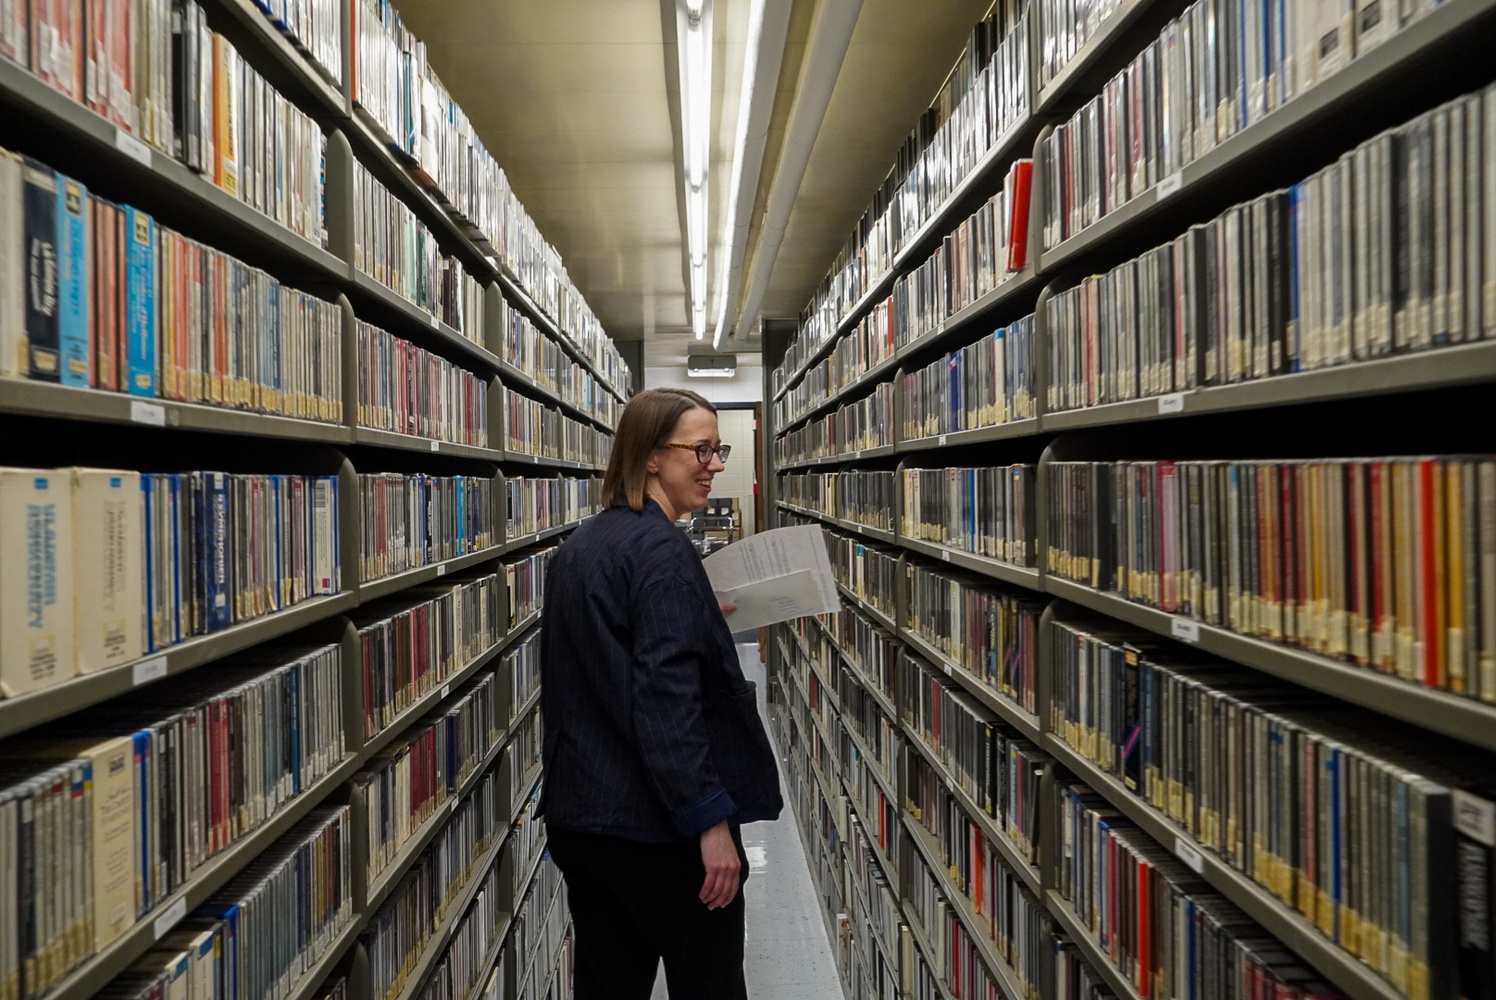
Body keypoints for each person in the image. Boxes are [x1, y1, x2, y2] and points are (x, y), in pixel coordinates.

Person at [538, 387, 783, 1000]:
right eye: (701, 450)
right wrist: (710, 823)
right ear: (650, 456)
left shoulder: (582, 545)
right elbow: (666, 702)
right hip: (656, 832)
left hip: (584, 822)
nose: (716, 465)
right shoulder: (664, 555)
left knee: (608, 983)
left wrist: (697, 618)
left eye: (719, 449)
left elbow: (610, 662)